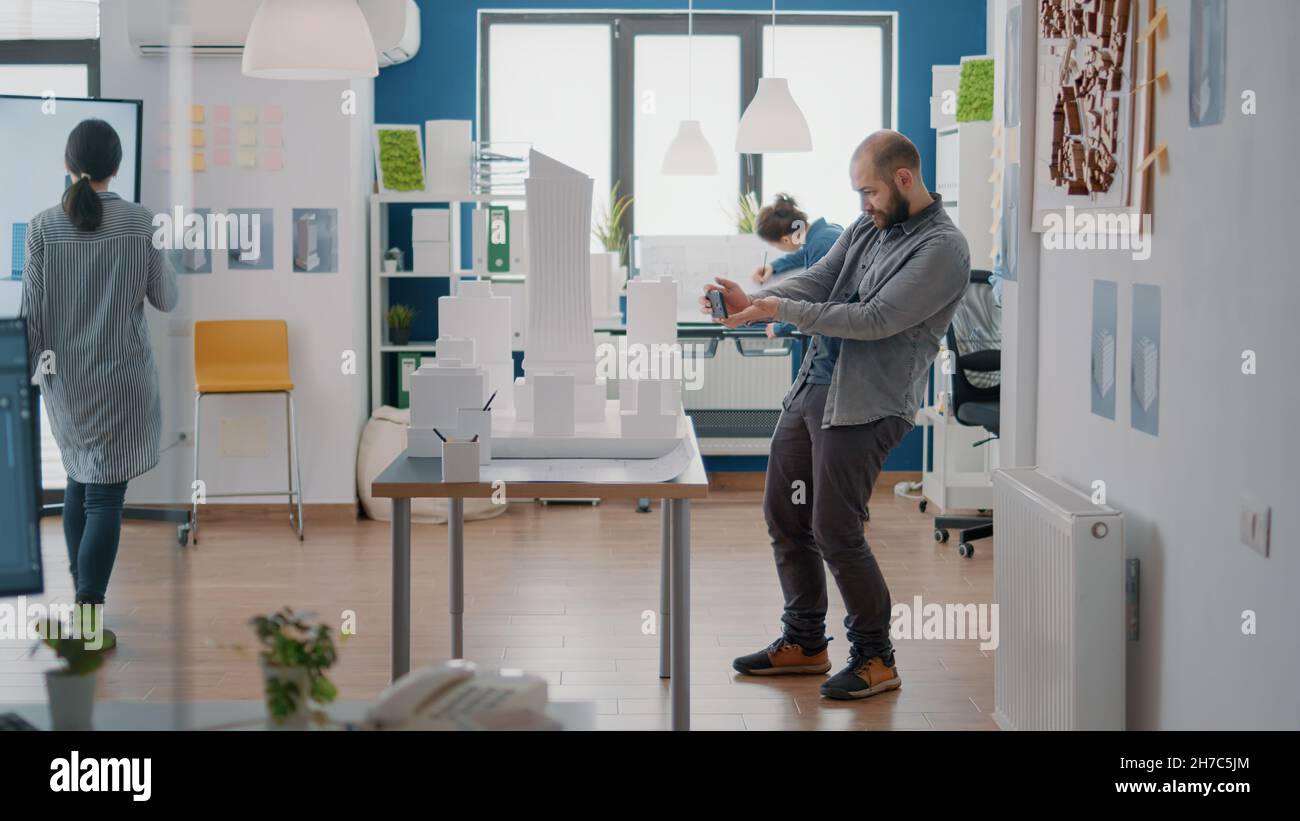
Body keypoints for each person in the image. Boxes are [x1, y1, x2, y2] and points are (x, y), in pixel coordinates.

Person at [701, 130, 970, 700]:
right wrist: (755, 302)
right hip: (814, 389)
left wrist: (776, 307)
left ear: (903, 179)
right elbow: (821, 278)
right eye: (858, 193)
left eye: (869, 191)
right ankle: (804, 642)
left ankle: (876, 657)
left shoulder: (942, 248)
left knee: (835, 529)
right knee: (785, 514)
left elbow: (873, 318)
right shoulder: (867, 227)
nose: (863, 203)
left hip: (866, 406)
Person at [20, 119, 178, 651]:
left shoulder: (42, 225)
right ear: (116, 164)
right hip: (122, 382)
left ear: (69, 163)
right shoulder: (140, 222)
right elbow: (167, 298)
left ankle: (82, 605)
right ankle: (89, 622)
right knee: (104, 498)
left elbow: (30, 316)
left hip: (63, 383)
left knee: (78, 483)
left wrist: (34, 381)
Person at [748, 194, 842, 340]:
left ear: (785, 239)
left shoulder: (821, 245)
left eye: (774, 244)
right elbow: (803, 253)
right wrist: (773, 266)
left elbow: (816, 301)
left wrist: (780, 328)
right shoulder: (823, 234)